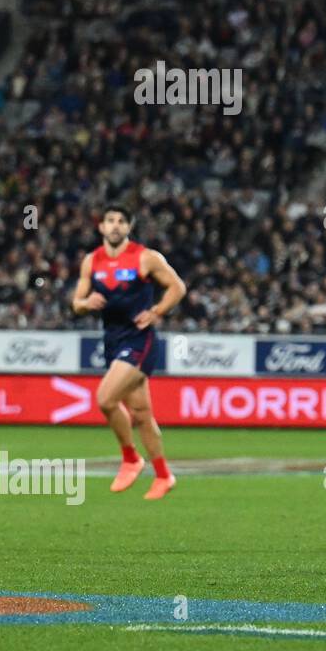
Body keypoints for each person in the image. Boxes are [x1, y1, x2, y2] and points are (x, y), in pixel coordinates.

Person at [71, 205, 187, 500]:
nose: (115, 226)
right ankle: (163, 475)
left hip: (140, 340)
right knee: (142, 414)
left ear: (129, 227)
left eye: (121, 221)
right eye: (110, 221)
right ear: (101, 227)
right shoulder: (91, 261)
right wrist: (86, 304)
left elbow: (177, 287)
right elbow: (77, 302)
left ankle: (131, 458)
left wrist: (158, 311)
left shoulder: (145, 257)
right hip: (113, 340)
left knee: (105, 399)